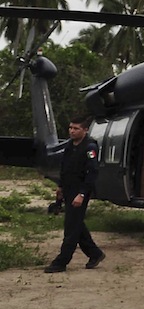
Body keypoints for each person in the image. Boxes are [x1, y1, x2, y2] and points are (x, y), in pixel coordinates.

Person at [45, 114, 106, 273]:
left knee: (71, 227)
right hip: (69, 189)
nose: (72, 131)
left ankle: (61, 262)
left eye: (76, 128)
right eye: (70, 128)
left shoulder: (90, 148)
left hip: (80, 191)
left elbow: (92, 173)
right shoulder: (69, 146)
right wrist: (60, 186)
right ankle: (95, 253)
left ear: (85, 130)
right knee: (77, 224)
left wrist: (82, 194)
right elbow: (64, 168)